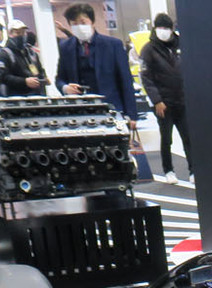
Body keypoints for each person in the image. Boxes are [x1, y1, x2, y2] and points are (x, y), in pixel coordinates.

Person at [56, 4, 136, 121]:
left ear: (92, 22)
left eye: (83, 22)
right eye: (74, 24)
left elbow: (126, 81)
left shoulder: (113, 45)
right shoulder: (65, 47)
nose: (79, 27)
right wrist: (65, 88)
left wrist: (131, 115)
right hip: (80, 112)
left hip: (112, 109)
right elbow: (59, 79)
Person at [139, 13, 188, 182]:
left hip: (182, 100)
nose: (163, 31)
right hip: (163, 103)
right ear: (155, 28)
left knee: (188, 137)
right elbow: (146, 77)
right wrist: (157, 100)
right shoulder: (148, 49)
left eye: (166, 28)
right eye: (160, 28)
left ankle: (193, 170)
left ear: (171, 29)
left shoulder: (181, 44)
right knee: (166, 139)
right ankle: (169, 171)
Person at [0, 19, 49, 96]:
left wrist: (44, 79)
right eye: (18, 33)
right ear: (10, 34)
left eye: (24, 32)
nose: (21, 35)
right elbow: (3, 77)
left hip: (36, 95)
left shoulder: (31, 53)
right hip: (16, 97)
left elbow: (40, 70)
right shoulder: (5, 54)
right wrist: (24, 81)